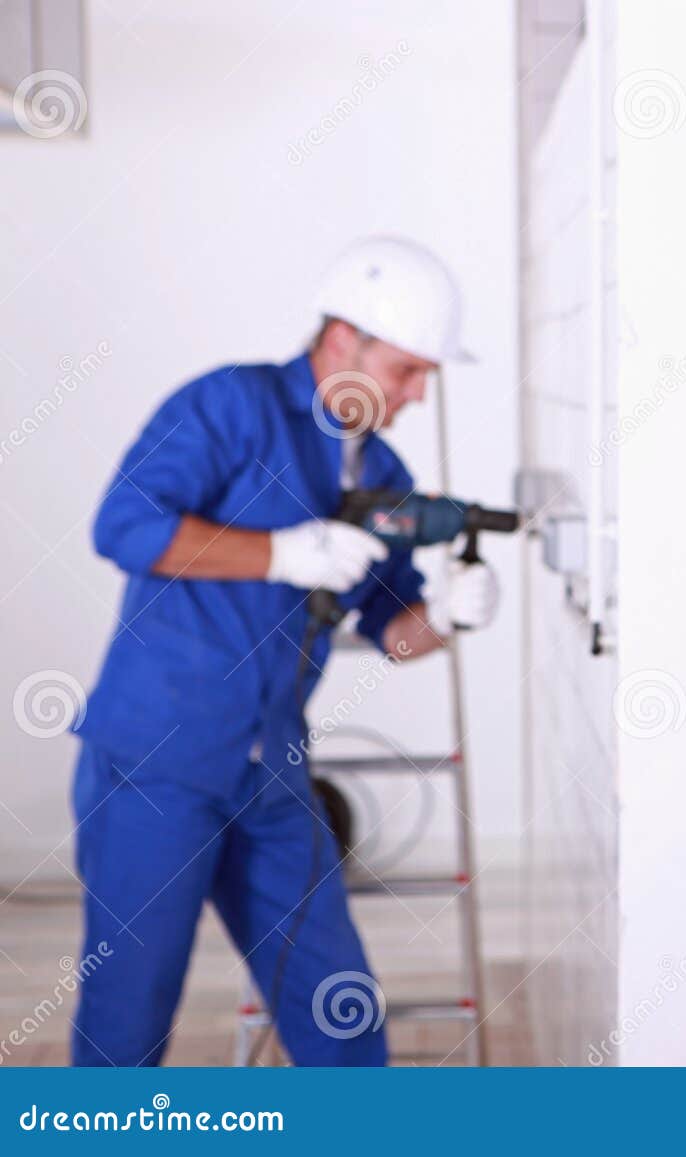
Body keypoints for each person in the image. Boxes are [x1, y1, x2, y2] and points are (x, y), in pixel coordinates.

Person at [71, 235, 499, 1066]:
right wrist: (279, 553)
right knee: (127, 1027)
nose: (416, 394)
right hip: (158, 765)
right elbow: (123, 525)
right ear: (344, 341)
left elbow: (392, 627)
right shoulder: (229, 405)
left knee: (343, 1020)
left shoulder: (383, 468)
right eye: (407, 370)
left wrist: (447, 615)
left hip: (271, 777)